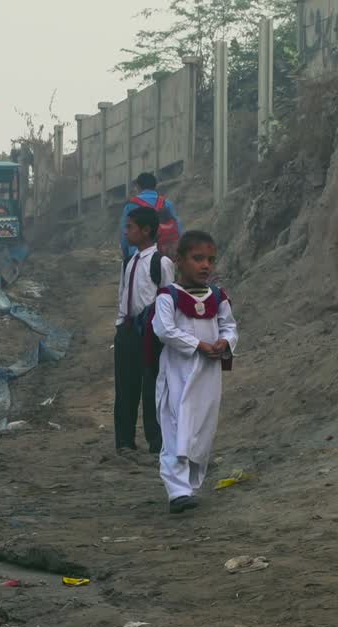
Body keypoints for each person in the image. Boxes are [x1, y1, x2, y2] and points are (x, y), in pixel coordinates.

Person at [152, 231, 238, 514]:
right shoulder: (168, 297)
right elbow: (165, 330)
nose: (205, 266)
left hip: (208, 373)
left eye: (210, 260)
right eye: (198, 259)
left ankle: (190, 484)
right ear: (179, 261)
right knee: (175, 426)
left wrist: (224, 342)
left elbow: (229, 326)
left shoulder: (217, 296)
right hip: (178, 371)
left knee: (201, 427)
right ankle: (177, 491)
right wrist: (198, 344)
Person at [115, 206, 175, 455]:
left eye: (130, 227)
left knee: (153, 387)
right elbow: (122, 294)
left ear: (146, 230)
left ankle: (157, 441)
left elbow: (169, 298)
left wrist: (164, 332)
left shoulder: (161, 262)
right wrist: (120, 325)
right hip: (127, 331)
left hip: (151, 332)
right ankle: (124, 441)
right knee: (125, 387)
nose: (126, 231)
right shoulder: (129, 261)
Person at [120, 172, 183, 262]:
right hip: (164, 255)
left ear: (138, 186)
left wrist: (127, 256)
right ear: (155, 186)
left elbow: (125, 233)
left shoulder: (130, 206)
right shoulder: (166, 203)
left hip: (138, 255)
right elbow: (178, 228)